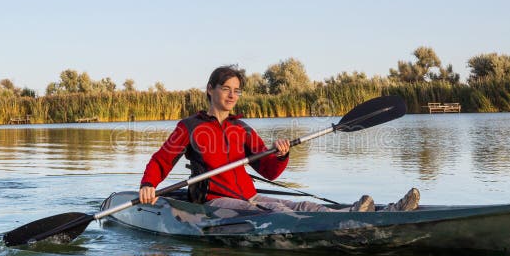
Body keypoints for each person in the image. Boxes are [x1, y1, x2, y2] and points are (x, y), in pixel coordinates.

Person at [139, 65, 419, 212]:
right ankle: (353, 219)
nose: (233, 95)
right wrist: (149, 184)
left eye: (237, 90)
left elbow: (269, 172)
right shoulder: (190, 127)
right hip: (216, 203)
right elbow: (161, 160)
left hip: (247, 196)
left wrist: (281, 154)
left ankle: (382, 212)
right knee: (272, 209)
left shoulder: (243, 129)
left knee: (300, 205)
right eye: (226, 88)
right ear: (210, 90)